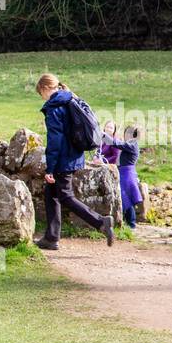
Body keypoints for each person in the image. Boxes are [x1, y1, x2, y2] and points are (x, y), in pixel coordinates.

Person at [34, 73, 115, 250]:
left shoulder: (54, 107)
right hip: (74, 156)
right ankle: (51, 237)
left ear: (45, 88)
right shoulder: (70, 99)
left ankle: (101, 222)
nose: (42, 97)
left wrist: (50, 168)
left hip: (63, 160)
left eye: (41, 93)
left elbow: (55, 141)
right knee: (51, 194)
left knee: (65, 196)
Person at [100, 124, 142, 229]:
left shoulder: (131, 145)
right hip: (125, 172)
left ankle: (131, 225)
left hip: (127, 173)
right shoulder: (130, 143)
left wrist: (103, 135)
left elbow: (115, 143)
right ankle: (129, 224)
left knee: (126, 198)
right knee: (126, 198)